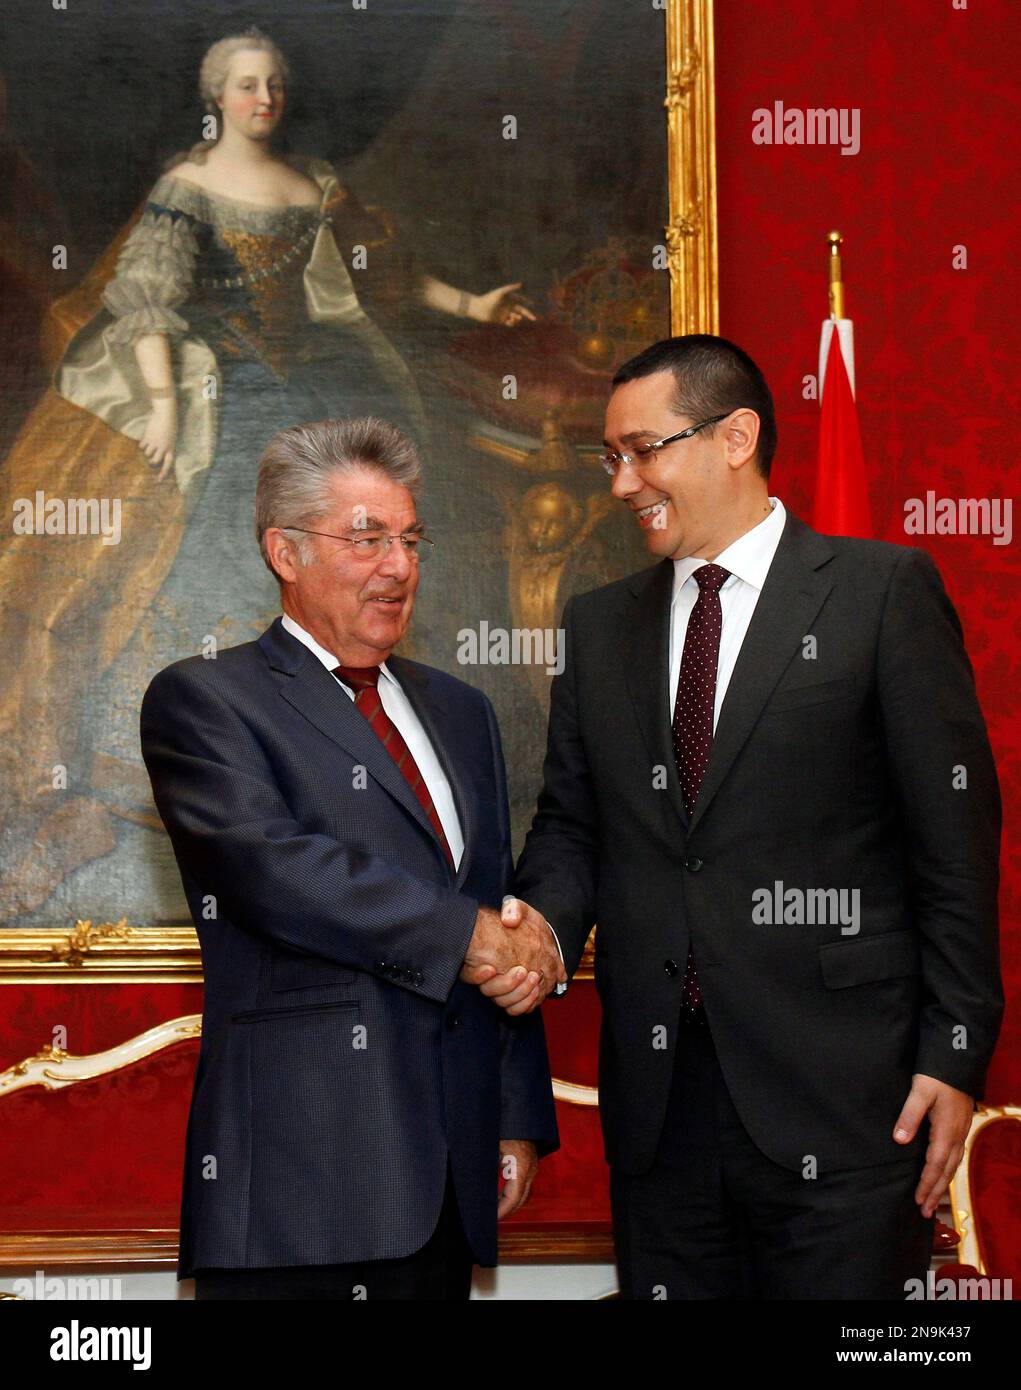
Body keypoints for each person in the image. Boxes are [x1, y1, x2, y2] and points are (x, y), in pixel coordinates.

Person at [498, 334, 1003, 1299]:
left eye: (644, 450)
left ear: (736, 437)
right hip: (661, 1112)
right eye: (611, 457)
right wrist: (542, 937)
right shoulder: (599, 625)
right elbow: (572, 827)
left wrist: (954, 1051)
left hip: (848, 1100)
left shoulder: (878, 593)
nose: (621, 484)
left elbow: (954, 843)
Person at [0, 27, 533, 919]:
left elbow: (387, 279)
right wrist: (166, 408)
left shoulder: (313, 183)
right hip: (216, 382)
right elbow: (148, 304)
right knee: (190, 537)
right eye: (248, 84)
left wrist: (472, 303)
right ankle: (141, 774)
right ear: (218, 96)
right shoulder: (190, 187)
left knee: (361, 518)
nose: (265, 98)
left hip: (318, 376)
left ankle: (356, 776)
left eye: (275, 83)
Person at [139, 415, 562, 1299]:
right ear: (284, 553)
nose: (399, 566)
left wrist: (513, 1118)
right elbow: (277, 870)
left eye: (410, 539)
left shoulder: (460, 711)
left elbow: (498, 905)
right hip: (299, 1185)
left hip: (448, 1179)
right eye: (367, 539)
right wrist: (472, 940)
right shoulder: (206, 700)